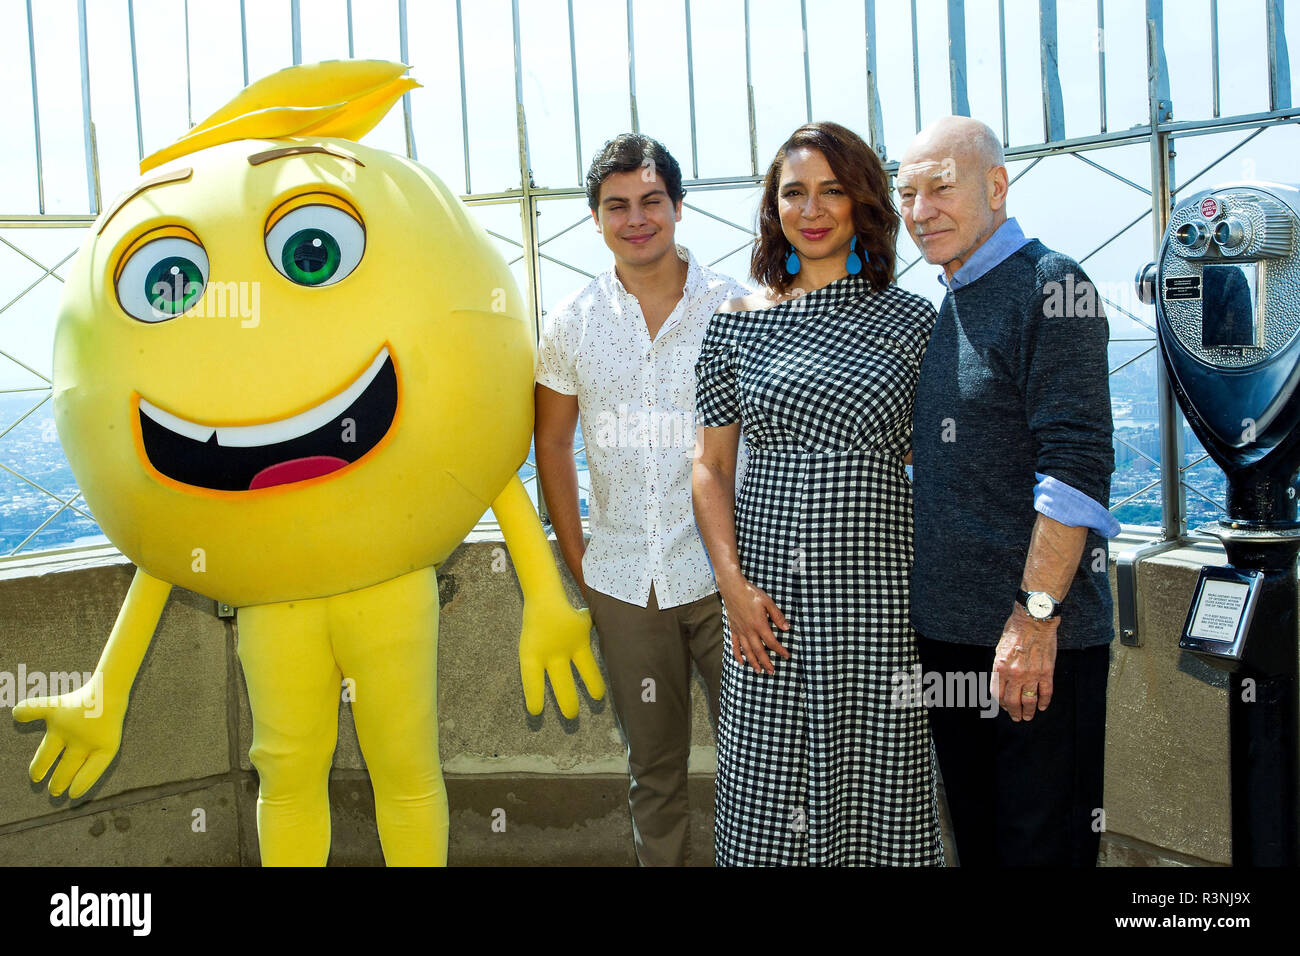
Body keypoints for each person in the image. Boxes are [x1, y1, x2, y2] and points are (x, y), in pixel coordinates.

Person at [692, 121, 944, 866]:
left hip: (879, 596)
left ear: (862, 202)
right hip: (766, 599)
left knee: (883, 785)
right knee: (767, 794)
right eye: (794, 192)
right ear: (774, 209)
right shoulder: (736, 323)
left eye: (833, 190)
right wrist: (731, 586)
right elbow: (708, 467)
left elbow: (933, 459)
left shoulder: (913, 321)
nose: (813, 208)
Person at [897, 115, 1120, 867]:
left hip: (1032, 645)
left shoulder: (1053, 285)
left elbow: (1076, 467)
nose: (920, 210)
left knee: (1042, 850)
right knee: (986, 847)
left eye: (940, 187)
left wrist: (1035, 620)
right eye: (907, 194)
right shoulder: (951, 301)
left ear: (996, 185)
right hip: (953, 639)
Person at [534, 133, 749, 866]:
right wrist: (579, 558)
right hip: (625, 583)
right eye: (616, 206)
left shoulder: (737, 308)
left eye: (651, 201)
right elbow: (553, 445)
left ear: (678, 208)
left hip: (731, 580)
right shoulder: (571, 321)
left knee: (763, 771)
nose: (636, 219)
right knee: (652, 775)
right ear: (596, 218)